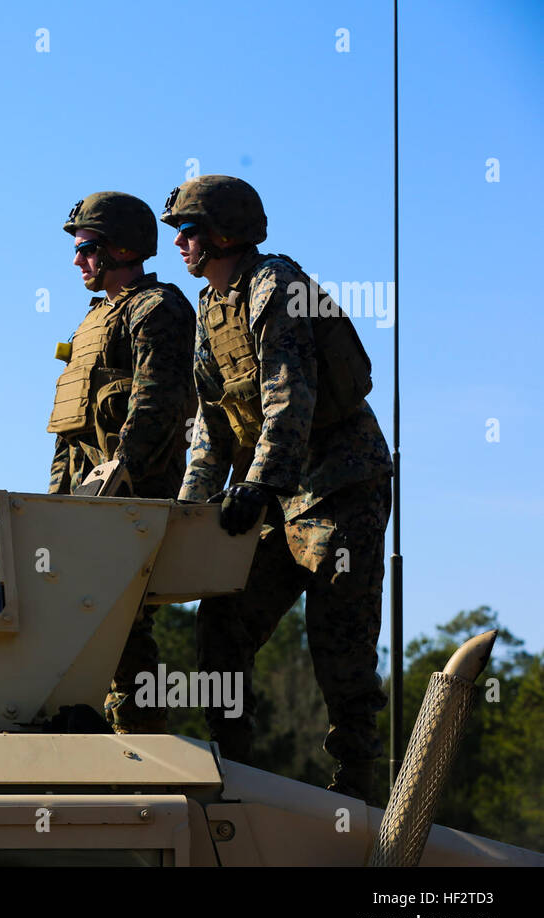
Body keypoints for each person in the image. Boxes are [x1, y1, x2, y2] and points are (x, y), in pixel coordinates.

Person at [161, 174, 392, 801]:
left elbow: (289, 397)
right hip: (277, 494)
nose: (178, 244)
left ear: (223, 234)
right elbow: (210, 424)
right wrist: (189, 512)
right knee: (224, 621)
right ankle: (232, 771)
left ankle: (358, 784)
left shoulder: (277, 288)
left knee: (338, 636)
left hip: (342, 483)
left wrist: (259, 484)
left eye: (188, 231)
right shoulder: (212, 308)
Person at [48, 192, 195, 733]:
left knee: (120, 620)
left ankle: (138, 742)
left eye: (86, 248)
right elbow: (73, 424)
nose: (77, 260)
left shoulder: (157, 308)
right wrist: (56, 502)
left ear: (120, 249)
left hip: (128, 494)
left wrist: (122, 472)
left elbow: (158, 403)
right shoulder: (93, 320)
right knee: (80, 616)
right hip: (84, 497)